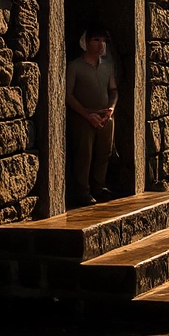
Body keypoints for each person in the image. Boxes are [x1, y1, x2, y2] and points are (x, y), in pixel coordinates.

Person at [66, 25, 119, 206]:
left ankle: (99, 186)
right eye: (96, 40)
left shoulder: (107, 67)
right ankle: (82, 190)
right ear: (86, 43)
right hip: (83, 117)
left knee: (104, 152)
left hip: (105, 116)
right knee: (84, 153)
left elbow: (113, 90)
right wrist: (86, 114)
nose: (101, 45)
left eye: (103, 41)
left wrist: (111, 108)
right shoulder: (75, 66)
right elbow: (68, 95)